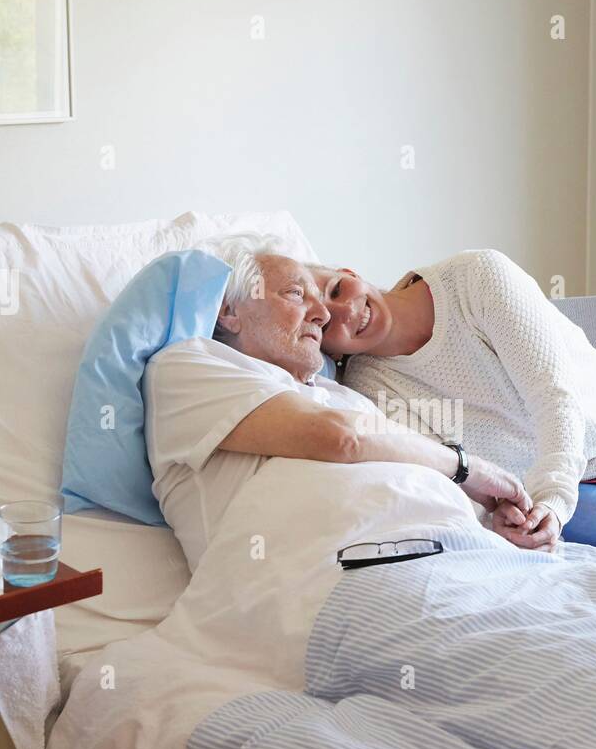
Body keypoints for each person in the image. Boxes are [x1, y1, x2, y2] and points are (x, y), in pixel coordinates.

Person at [142, 234, 531, 569]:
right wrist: (467, 468)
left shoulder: (343, 396)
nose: (322, 313)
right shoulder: (190, 366)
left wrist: (495, 521)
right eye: (296, 294)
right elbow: (340, 438)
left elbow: (405, 469)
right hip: (337, 578)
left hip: (466, 555)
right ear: (230, 310)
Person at [313, 250, 596, 559]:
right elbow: (457, 465)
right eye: (328, 324)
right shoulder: (370, 387)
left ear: (349, 273)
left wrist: (555, 501)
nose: (348, 310)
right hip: (543, 487)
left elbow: (555, 397)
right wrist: (504, 511)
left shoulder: (477, 277)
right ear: (325, 348)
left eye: (337, 290)